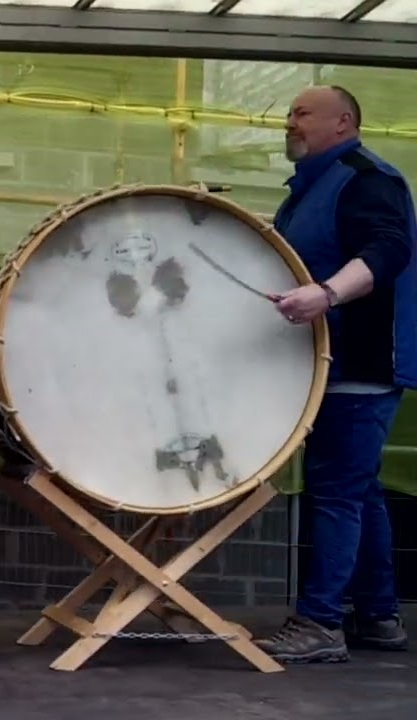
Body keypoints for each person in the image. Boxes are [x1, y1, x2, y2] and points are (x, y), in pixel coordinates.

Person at [255, 85, 417, 664]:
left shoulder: (366, 178)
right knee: (359, 488)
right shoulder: (313, 187)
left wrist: (326, 295)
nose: (289, 124)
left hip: (361, 364)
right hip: (335, 362)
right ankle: (378, 615)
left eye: (301, 114)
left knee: (337, 492)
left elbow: (389, 249)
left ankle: (321, 623)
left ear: (343, 121)